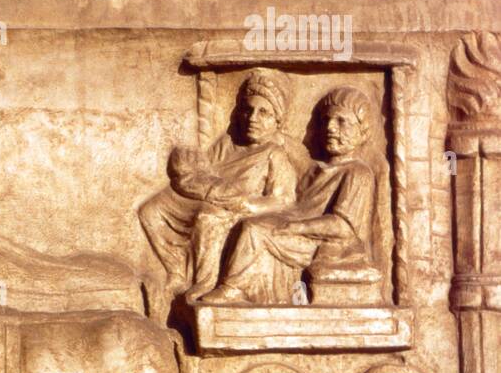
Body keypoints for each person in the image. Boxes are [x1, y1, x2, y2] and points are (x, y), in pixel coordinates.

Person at [139, 68, 309, 303]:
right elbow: (204, 172)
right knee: (151, 210)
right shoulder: (227, 144)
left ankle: (206, 282)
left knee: (209, 218)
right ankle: (177, 271)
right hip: (212, 197)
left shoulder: (274, 155)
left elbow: (283, 200)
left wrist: (247, 206)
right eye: (248, 110)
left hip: (236, 211)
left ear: (276, 121)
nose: (253, 118)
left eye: (264, 113)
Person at [201, 86, 379, 305]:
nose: (331, 128)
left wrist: (297, 227)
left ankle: (233, 289)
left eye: (342, 122)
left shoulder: (357, 173)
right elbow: (287, 148)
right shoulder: (317, 168)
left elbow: (343, 226)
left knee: (254, 230)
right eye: (326, 121)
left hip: (325, 245)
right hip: (297, 230)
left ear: (362, 131)